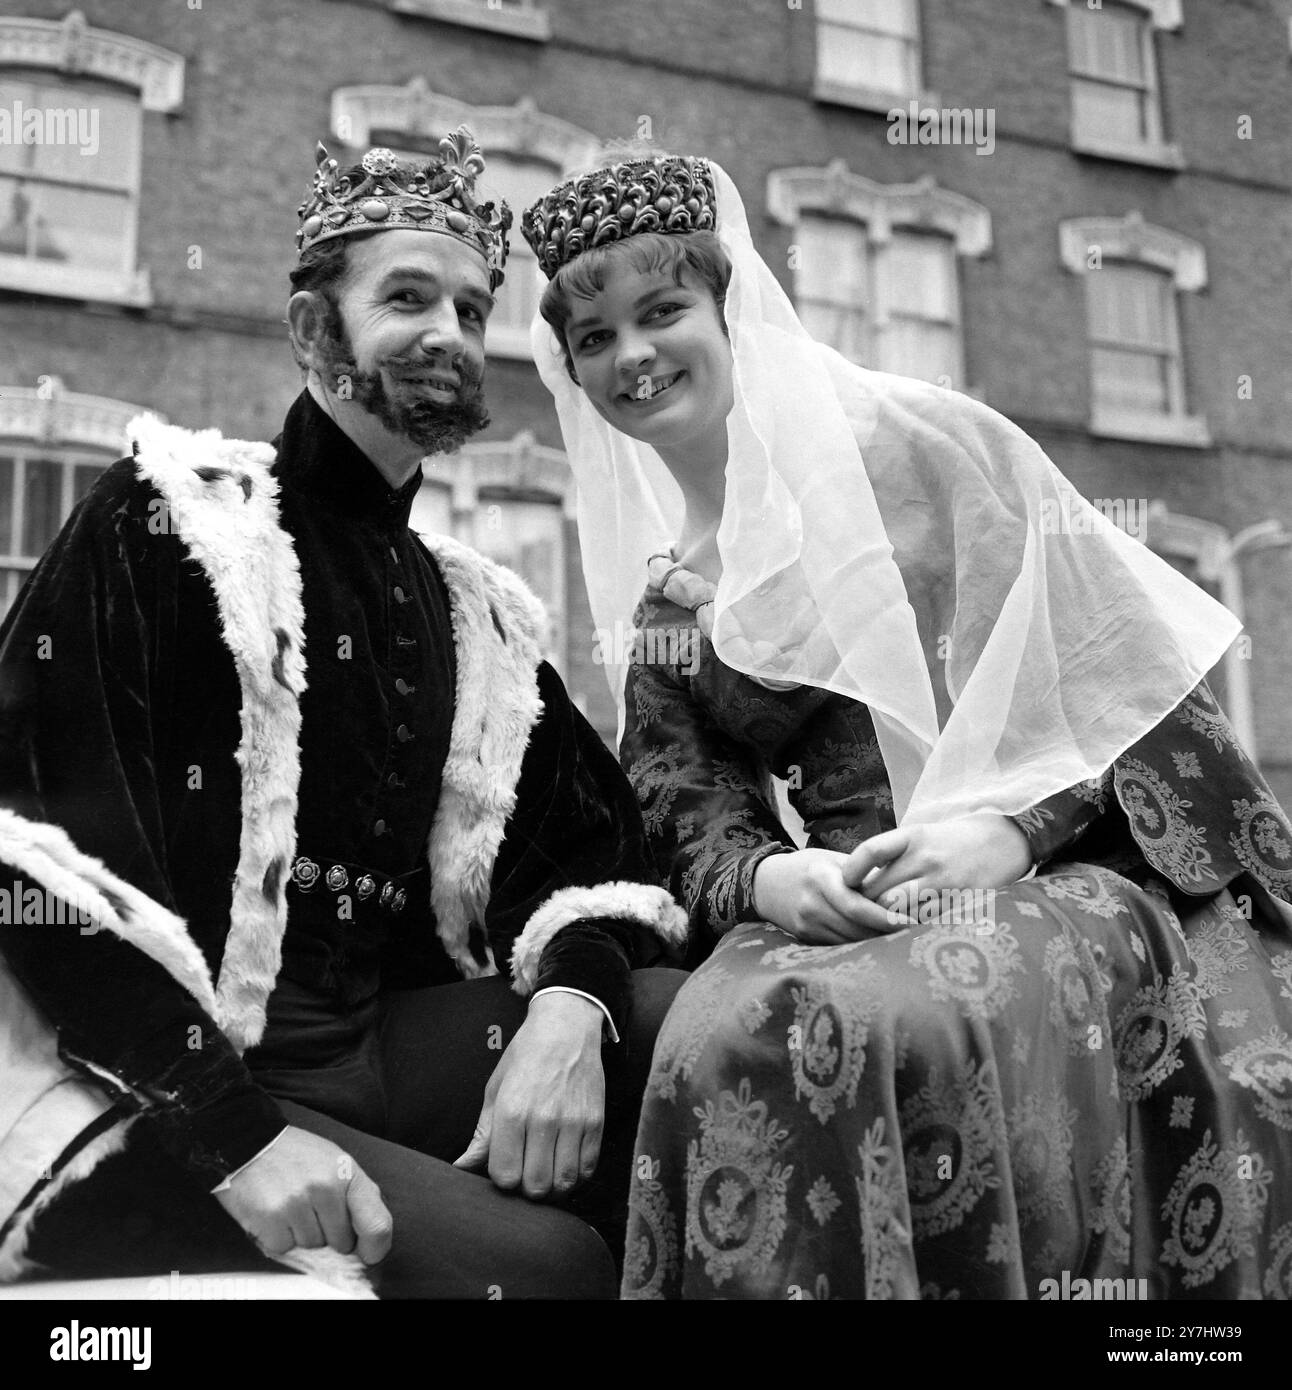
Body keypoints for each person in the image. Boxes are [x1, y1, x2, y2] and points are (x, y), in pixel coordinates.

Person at [521, 151, 1292, 1299]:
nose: (630, 355)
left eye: (662, 311)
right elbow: (684, 807)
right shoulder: (670, 600)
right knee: (719, 1030)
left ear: (729, 312)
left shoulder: (932, 453)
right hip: (845, 899)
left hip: (1065, 867)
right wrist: (771, 880)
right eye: (594, 338)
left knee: (890, 1017)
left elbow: (1122, 679)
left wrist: (1012, 830)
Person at [0, 130, 689, 1300]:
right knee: (549, 1271)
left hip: (382, 1041)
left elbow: (590, 851)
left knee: (679, 1024)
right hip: (175, 1077)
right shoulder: (167, 523)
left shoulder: (473, 608)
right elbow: (32, 851)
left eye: (472, 310)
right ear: (317, 333)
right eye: (408, 298)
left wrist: (571, 1005)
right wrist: (238, 1140)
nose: (447, 334)